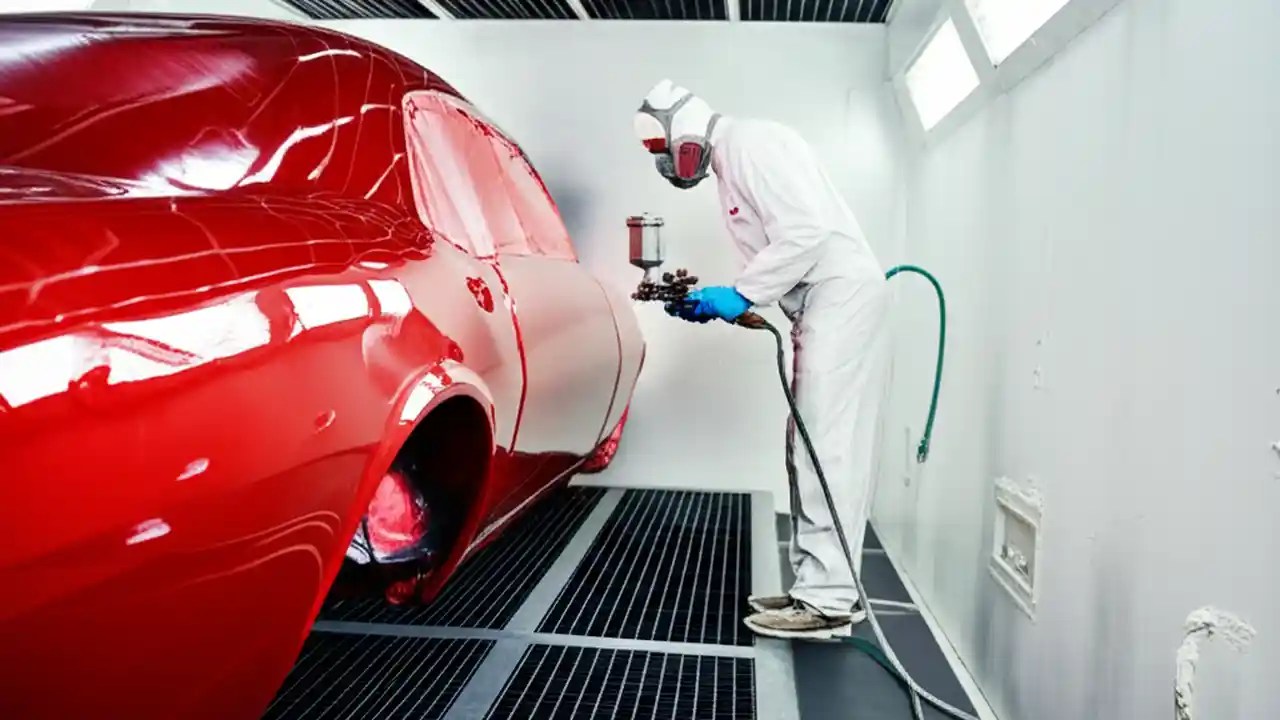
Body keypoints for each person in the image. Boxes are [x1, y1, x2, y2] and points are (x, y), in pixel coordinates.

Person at [634, 79, 891, 640]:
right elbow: (784, 245)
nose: (665, 165)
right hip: (820, 305)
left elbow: (805, 232)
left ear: (685, 132)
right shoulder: (732, 161)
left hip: (840, 298)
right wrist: (724, 301)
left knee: (825, 445)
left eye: (662, 150)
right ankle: (813, 588)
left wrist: (743, 293)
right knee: (806, 442)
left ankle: (828, 599)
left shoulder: (752, 144)